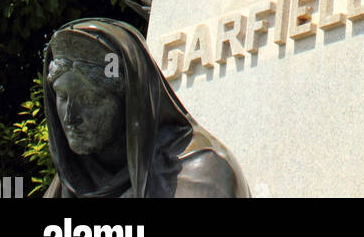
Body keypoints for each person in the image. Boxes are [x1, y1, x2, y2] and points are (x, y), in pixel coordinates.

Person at [44, 18, 249, 198]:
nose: (70, 117)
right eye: (62, 96)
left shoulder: (202, 170)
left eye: (87, 98)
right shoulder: (73, 181)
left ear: (128, 102)